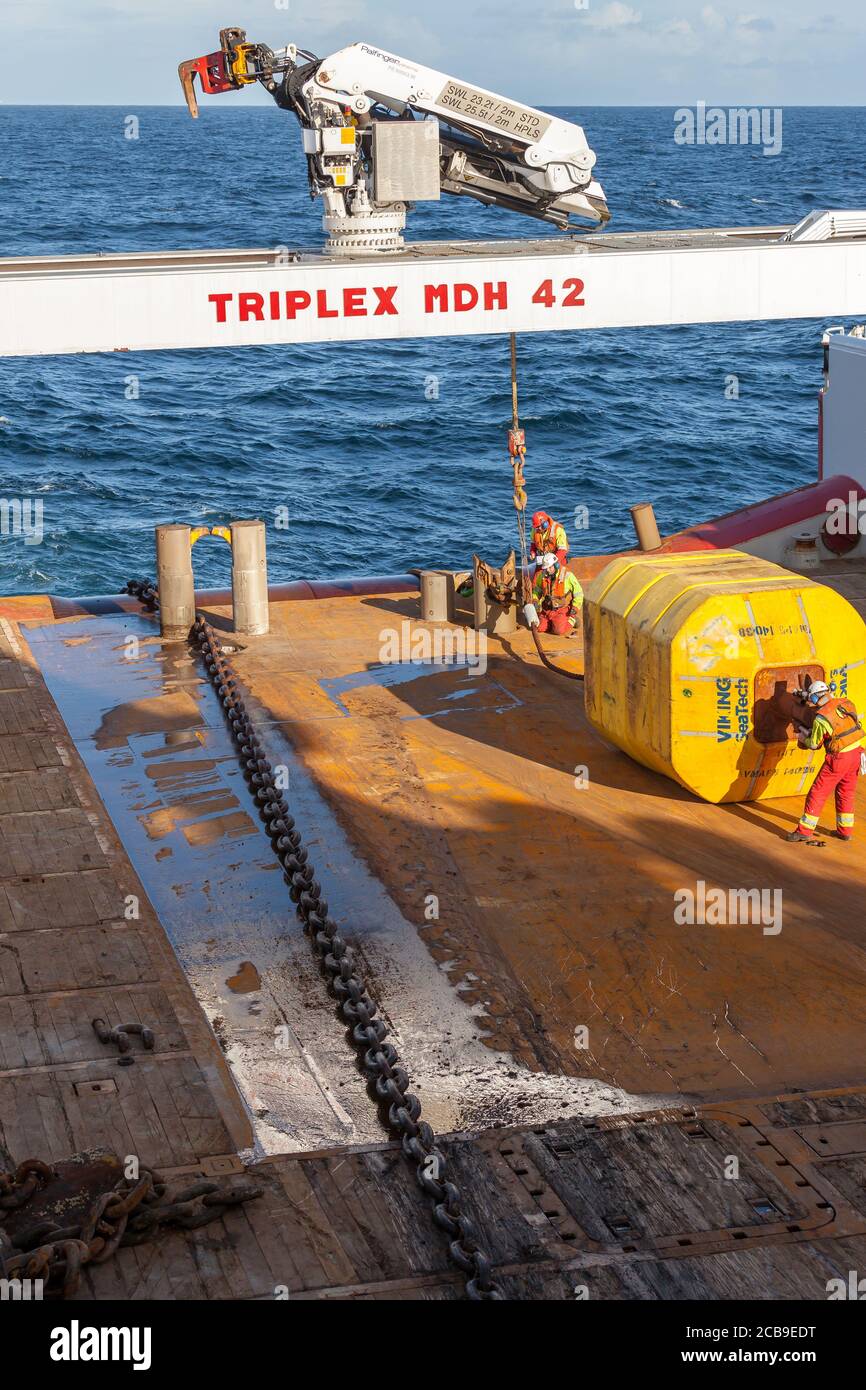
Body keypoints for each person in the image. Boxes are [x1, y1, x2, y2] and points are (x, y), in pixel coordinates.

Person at [787, 682, 865, 843]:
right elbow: (840, 728)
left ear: (815, 697)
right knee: (846, 792)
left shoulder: (822, 719)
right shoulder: (846, 702)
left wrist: (802, 736)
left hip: (839, 759)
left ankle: (804, 831)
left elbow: (815, 744)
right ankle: (844, 831)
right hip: (857, 753)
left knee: (817, 793)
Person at [531, 553, 584, 636]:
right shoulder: (542, 576)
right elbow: (537, 591)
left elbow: (578, 593)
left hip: (562, 609)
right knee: (539, 628)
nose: (548, 570)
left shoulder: (567, 575)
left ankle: (572, 620)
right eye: (546, 568)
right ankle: (553, 623)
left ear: (556, 565)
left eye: (550, 567)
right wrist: (535, 600)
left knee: (558, 631)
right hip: (547, 609)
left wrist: (575, 607)